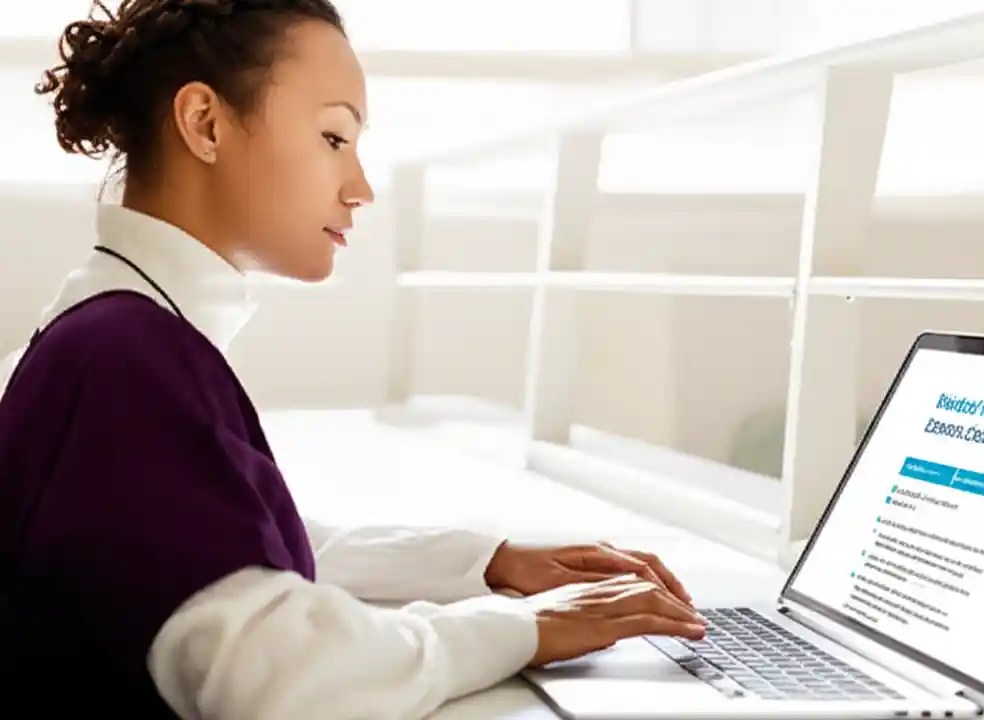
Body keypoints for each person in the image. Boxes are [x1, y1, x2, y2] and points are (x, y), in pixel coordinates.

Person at [0, 1, 706, 717]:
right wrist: (527, 628)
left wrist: (485, 564)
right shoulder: (126, 359)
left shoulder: (104, 327)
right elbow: (277, 676)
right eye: (333, 137)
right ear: (205, 124)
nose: (360, 187)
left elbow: (231, 546)